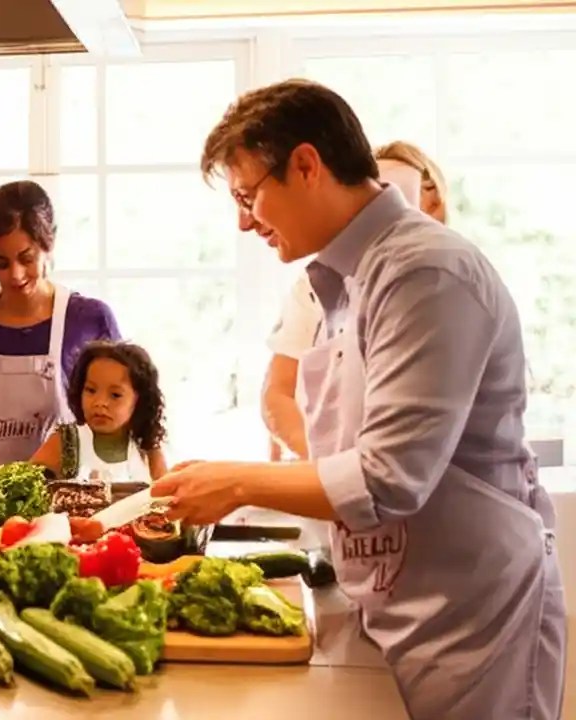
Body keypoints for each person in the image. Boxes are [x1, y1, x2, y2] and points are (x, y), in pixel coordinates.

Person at [155, 79, 564, 719]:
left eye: (246, 195)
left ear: (306, 165)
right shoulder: (348, 278)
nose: (243, 221)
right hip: (400, 597)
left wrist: (236, 483)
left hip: (471, 616)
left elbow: (387, 478)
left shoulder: (424, 271)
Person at [261, 140, 450, 462]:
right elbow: (277, 394)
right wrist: (326, 467)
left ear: (433, 201)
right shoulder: (314, 286)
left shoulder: (450, 283)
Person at [0, 180, 121, 487]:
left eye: (26, 258)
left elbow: (121, 422)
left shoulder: (90, 320)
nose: (15, 275)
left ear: (48, 242)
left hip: (68, 503)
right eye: (1, 263)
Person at [30, 340, 168, 483]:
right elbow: (26, 486)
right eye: (91, 390)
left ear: (140, 400)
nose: (100, 403)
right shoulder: (66, 441)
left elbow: (166, 491)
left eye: (115, 395)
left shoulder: (147, 448)